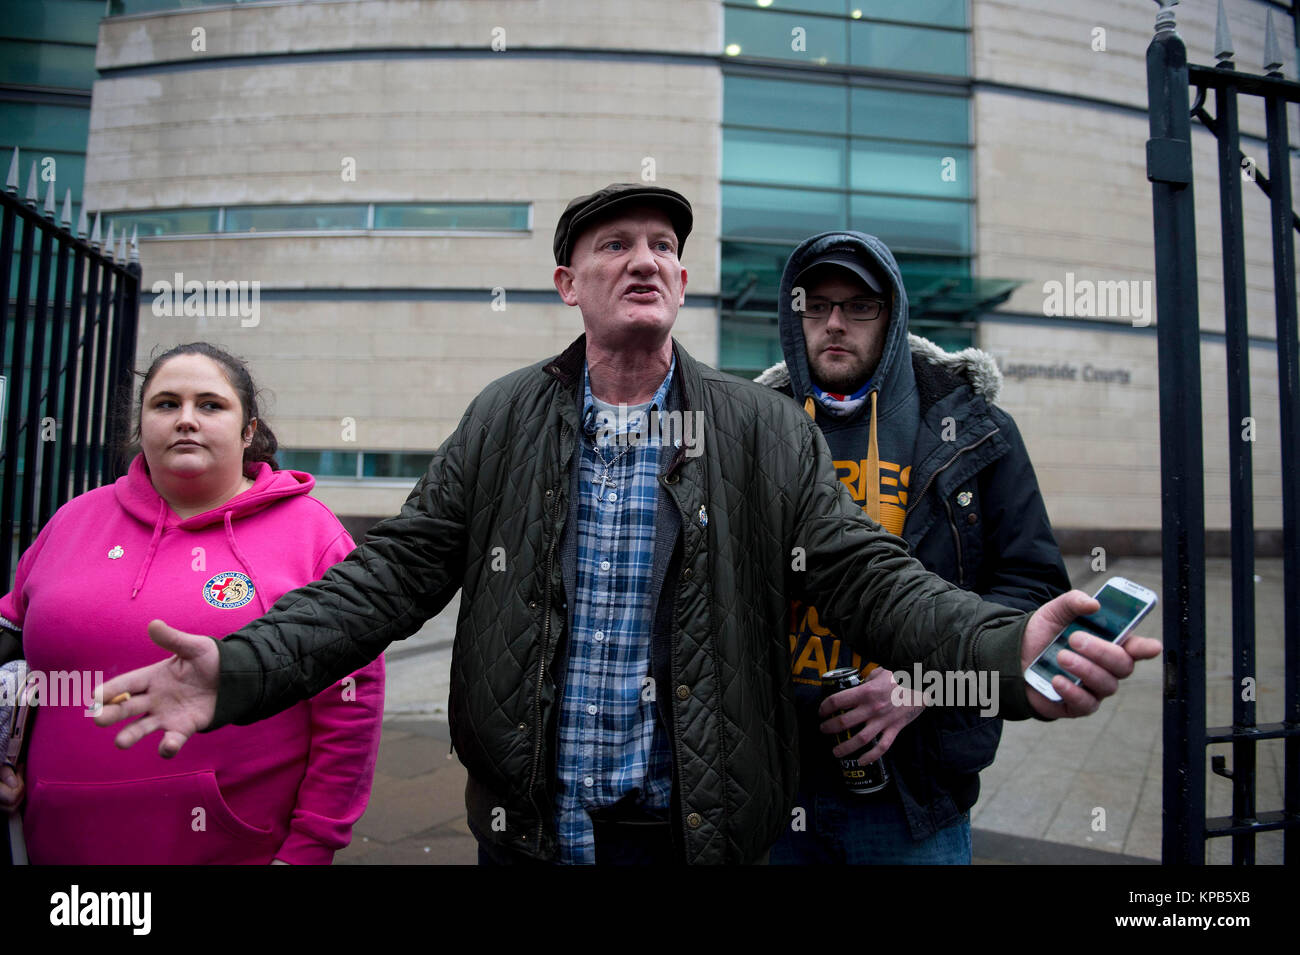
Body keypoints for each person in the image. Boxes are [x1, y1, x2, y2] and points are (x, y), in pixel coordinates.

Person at [92, 185, 1160, 865]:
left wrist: (996, 649)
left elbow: (864, 573)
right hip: (532, 830)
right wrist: (238, 668)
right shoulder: (504, 415)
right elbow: (389, 576)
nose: (643, 257)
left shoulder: (757, 427)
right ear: (569, 283)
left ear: (684, 282)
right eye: (613, 244)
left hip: (692, 828)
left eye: (662, 244)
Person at [0, 342, 384, 864]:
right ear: (140, 425)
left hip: (231, 847)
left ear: (248, 430)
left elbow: (350, 705)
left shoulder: (311, 534)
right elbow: (9, 644)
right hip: (59, 844)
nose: (186, 420)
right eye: (165, 404)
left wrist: (310, 846)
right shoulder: (72, 521)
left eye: (209, 404)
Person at [757, 232, 1071, 864]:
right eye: (815, 306)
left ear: (892, 315)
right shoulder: (758, 427)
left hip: (913, 794)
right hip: (773, 784)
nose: (835, 324)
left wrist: (923, 685)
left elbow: (1032, 590)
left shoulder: (969, 428)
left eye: (858, 306)